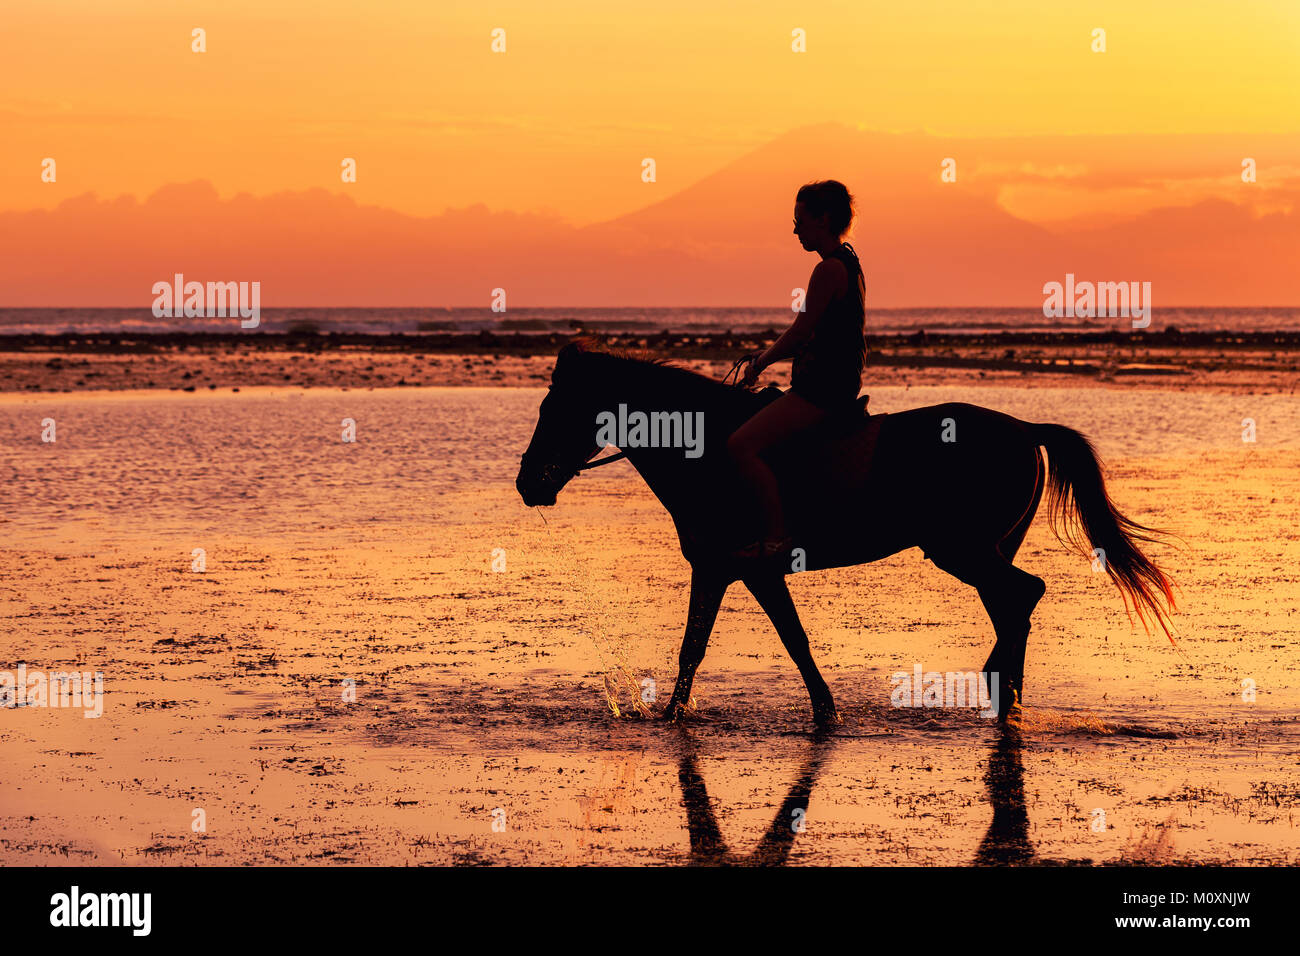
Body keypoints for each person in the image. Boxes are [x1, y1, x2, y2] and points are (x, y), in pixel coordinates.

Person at [726, 180, 867, 561]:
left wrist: (760, 362)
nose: (794, 229)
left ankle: (775, 540)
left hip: (823, 388)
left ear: (822, 219)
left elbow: (800, 331)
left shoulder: (828, 270)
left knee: (740, 445)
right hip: (835, 381)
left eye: (799, 220)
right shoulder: (850, 263)